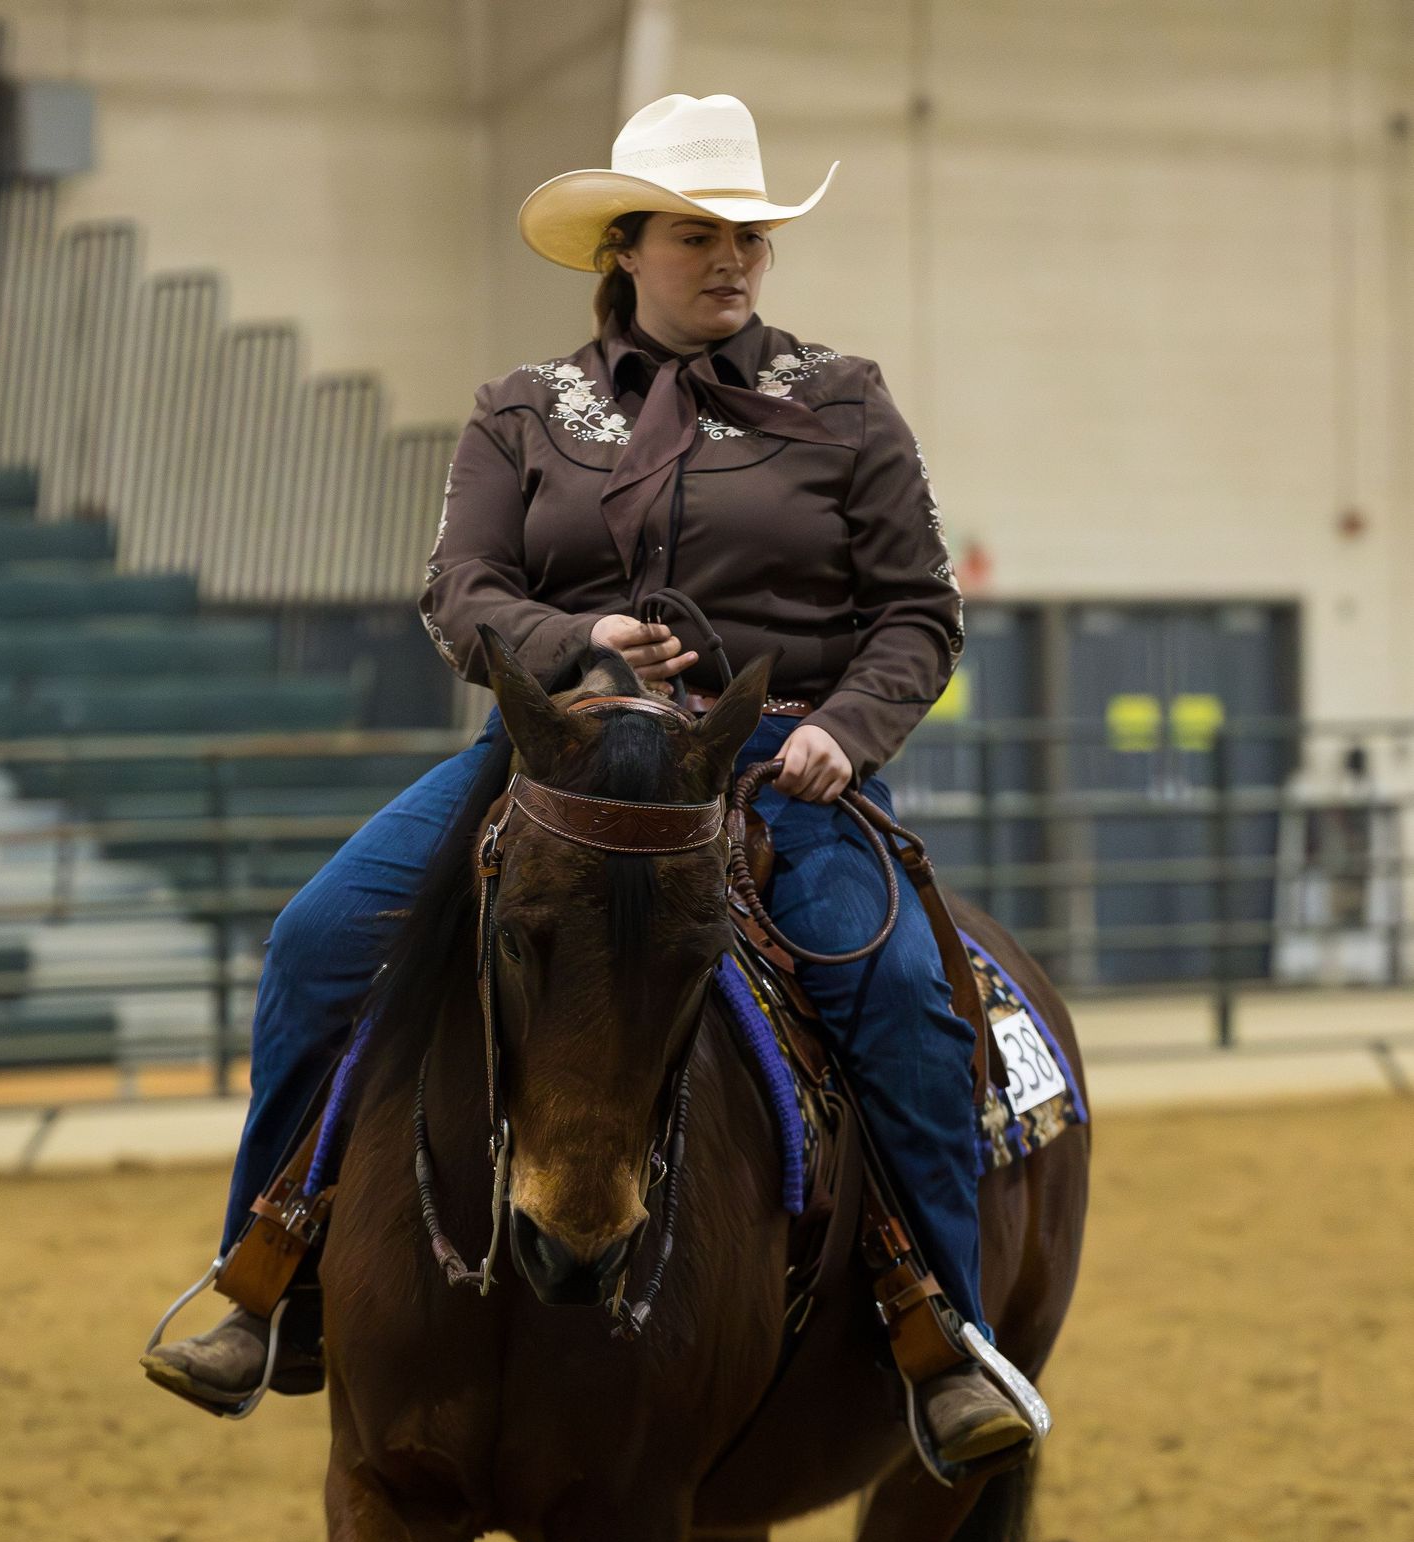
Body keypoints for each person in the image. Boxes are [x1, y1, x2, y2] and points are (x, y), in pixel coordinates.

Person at [143, 92, 1029, 1461]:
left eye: (751, 236)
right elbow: (459, 590)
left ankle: (938, 1330)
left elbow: (921, 612)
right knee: (320, 937)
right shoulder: (521, 410)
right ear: (625, 245)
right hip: (553, 760)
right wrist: (578, 641)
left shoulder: (843, 402)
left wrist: (847, 729)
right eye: (698, 235)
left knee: (907, 994)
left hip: (772, 766)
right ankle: (269, 1274)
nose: (732, 259)